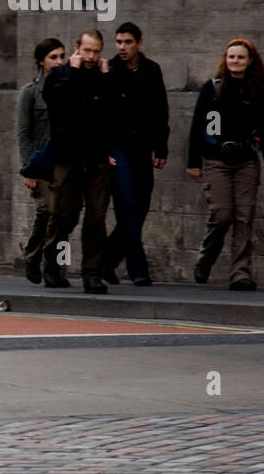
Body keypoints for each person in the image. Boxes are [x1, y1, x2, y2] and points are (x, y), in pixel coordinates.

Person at [186, 38, 264, 290]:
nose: (235, 61)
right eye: (231, 57)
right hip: (216, 160)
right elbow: (198, 126)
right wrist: (193, 161)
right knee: (221, 215)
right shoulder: (213, 88)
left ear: (249, 61)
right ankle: (206, 256)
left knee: (244, 217)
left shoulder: (257, 91)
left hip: (246, 161)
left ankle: (240, 274)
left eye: (240, 57)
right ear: (225, 59)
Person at [42, 29, 116, 293]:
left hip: (96, 159)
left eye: (96, 51)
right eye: (87, 50)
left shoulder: (103, 77)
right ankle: (52, 263)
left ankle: (91, 273)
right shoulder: (61, 74)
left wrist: (106, 78)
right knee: (65, 215)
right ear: (77, 48)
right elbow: (56, 103)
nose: (91, 57)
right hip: (67, 157)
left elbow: (113, 112)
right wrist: (72, 72)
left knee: (96, 215)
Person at [102, 22, 168, 286]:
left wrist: (161, 147)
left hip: (143, 148)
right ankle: (137, 268)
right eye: (119, 42)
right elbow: (101, 114)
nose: (122, 47)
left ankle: (106, 261)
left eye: (127, 42)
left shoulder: (151, 70)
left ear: (139, 42)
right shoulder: (110, 70)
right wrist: (104, 150)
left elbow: (161, 111)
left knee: (140, 206)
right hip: (118, 149)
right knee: (126, 205)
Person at [17, 38, 66, 283]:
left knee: (62, 215)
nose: (58, 61)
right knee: (47, 210)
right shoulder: (30, 93)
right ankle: (33, 255)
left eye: (62, 57)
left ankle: (53, 267)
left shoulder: (67, 89)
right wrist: (29, 169)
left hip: (64, 161)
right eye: (53, 57)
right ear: (41, 61)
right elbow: (23, 132)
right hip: (41, 162)